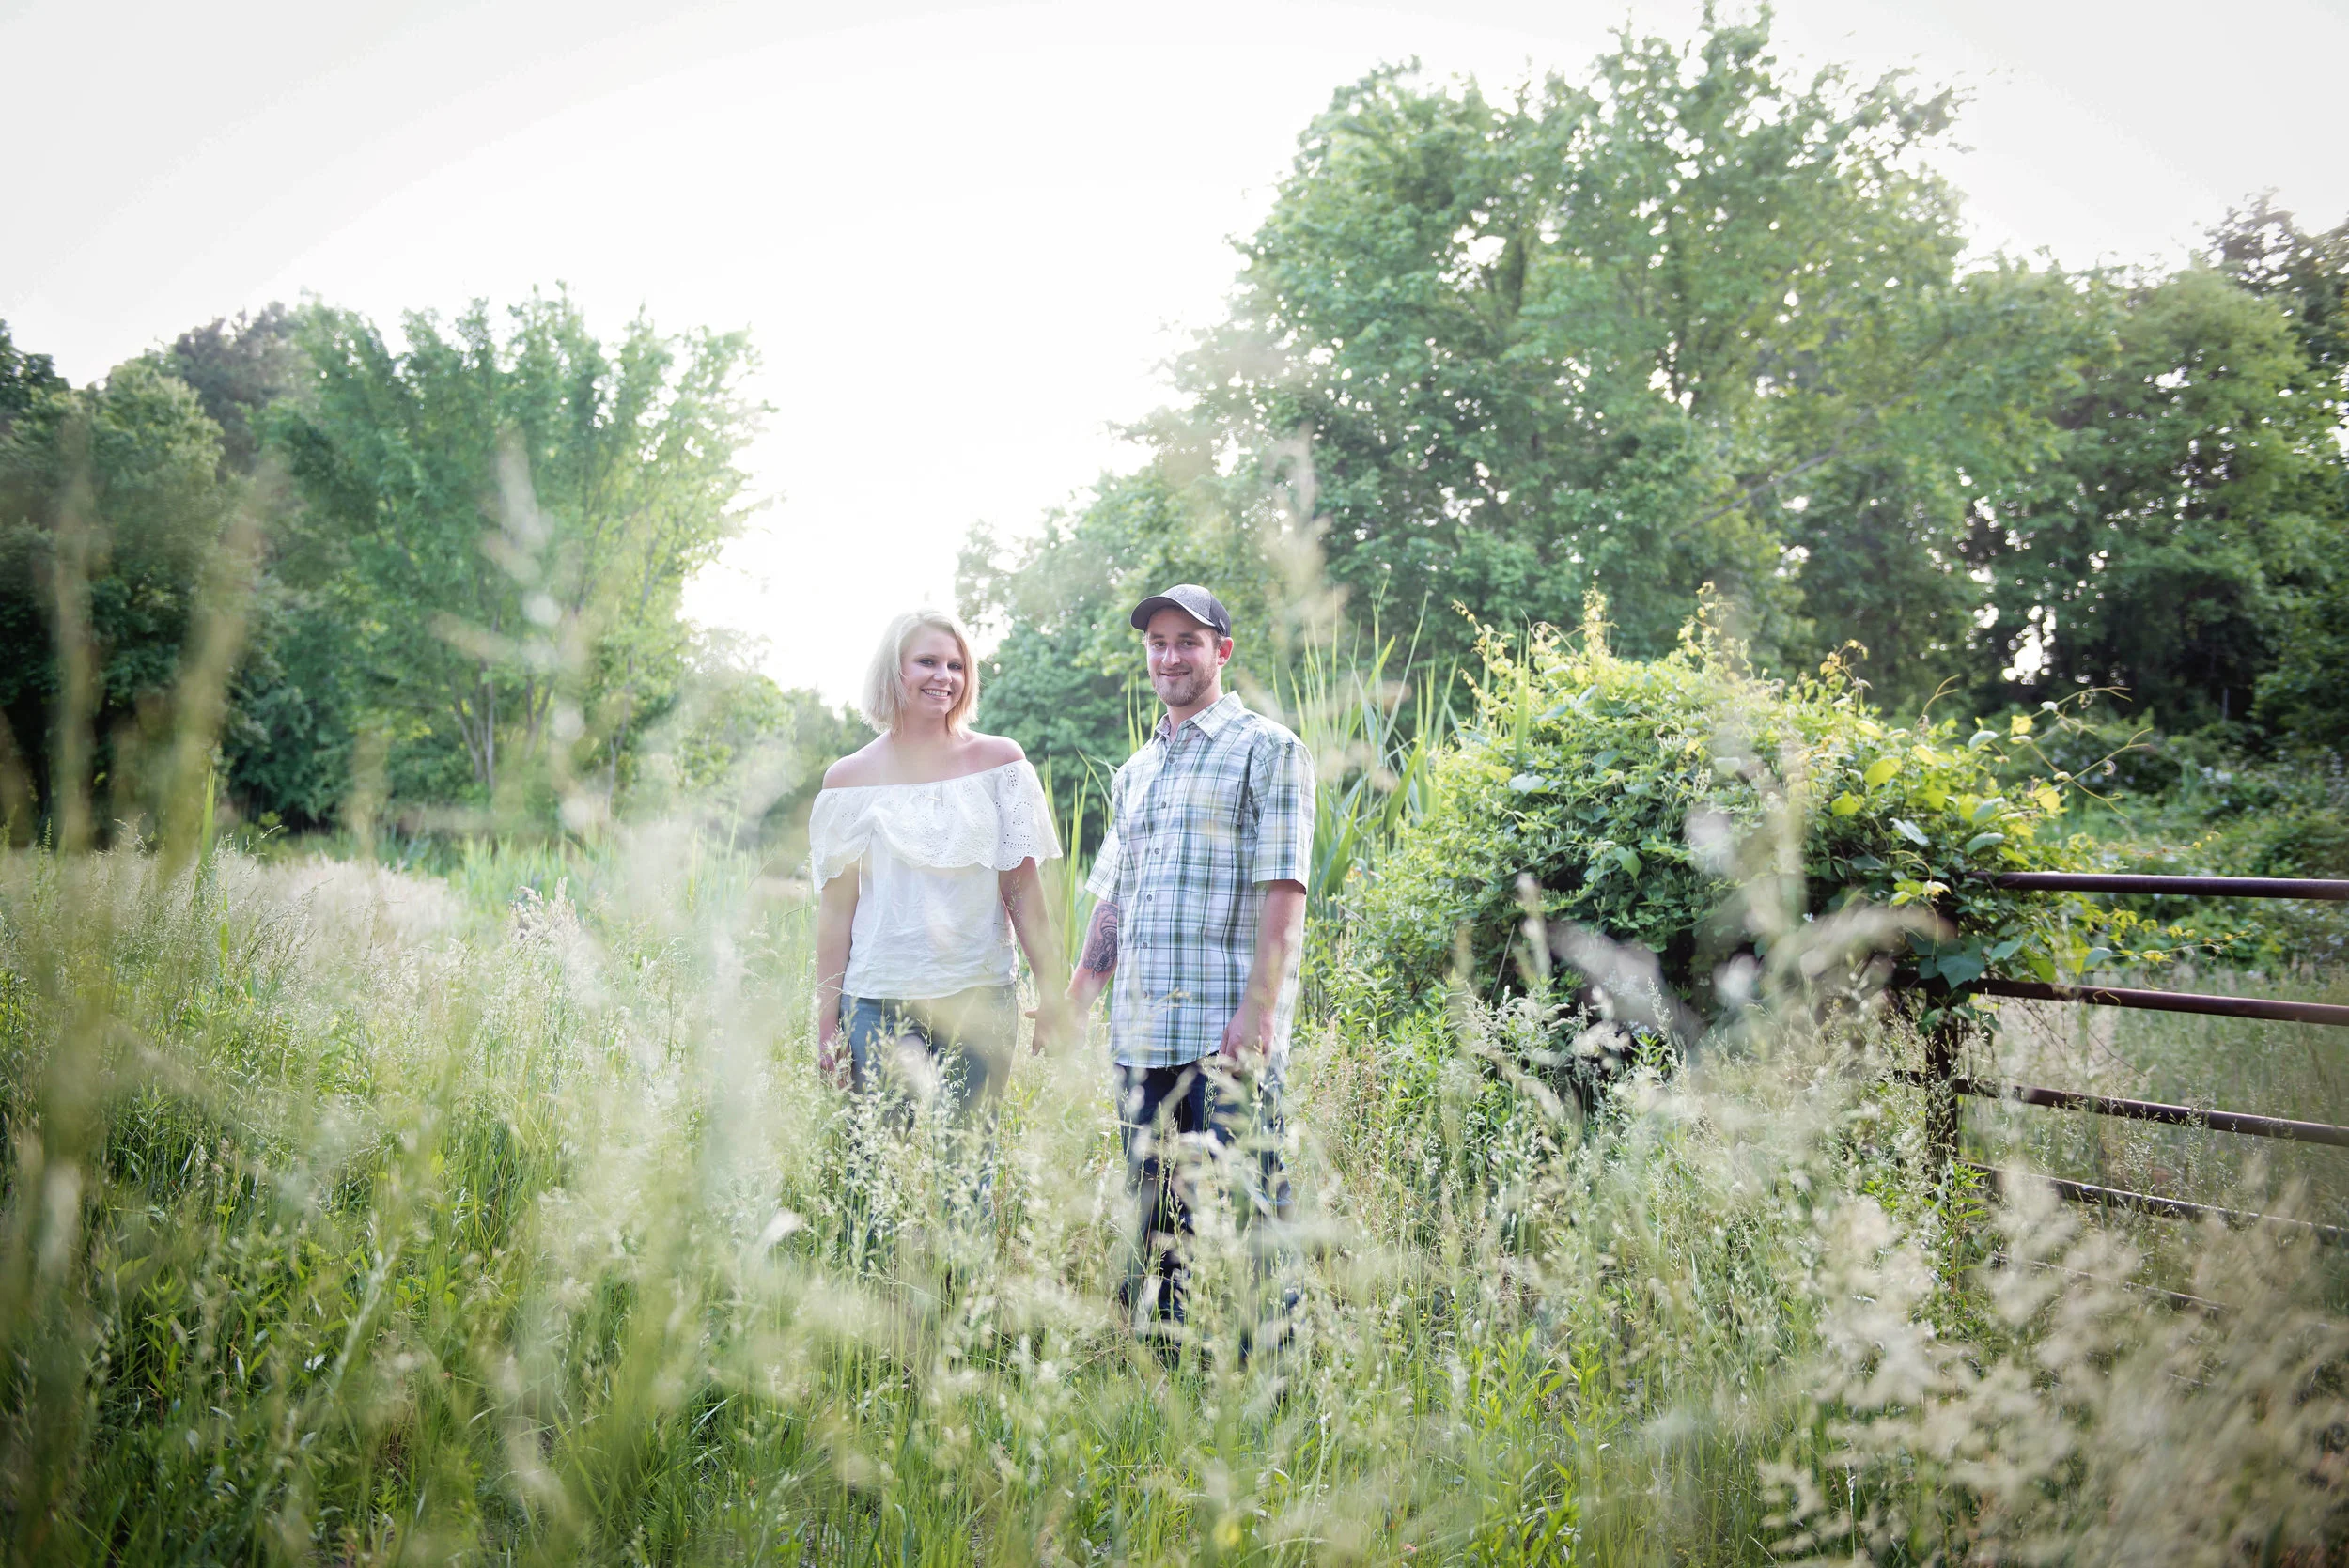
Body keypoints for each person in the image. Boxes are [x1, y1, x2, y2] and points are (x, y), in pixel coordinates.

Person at [1064, 584, 1314, 1338]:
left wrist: (1258, 1012)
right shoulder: (1136, 770)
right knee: (1155, 1212)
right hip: (1140, 1032)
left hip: (1223, 1028)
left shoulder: (1267, 749)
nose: (1169, 657)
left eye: (1187, 642)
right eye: (1157, 643)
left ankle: (1275, 1364)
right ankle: (1170, 1362)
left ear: (1221, 651)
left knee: (1250, 1204)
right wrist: (1077, 998)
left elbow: (1284, 887)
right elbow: (1115, 898)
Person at [810, 609, 1072, 1117]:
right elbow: (836, 913)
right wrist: (827, 1029)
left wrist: (1052, 993)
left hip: (979, 994)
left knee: (969, 1155)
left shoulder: (1001, 763)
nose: (944, 677)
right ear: (893, 671)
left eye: (956, 666)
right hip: (878, 999)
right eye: (927, 662)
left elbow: (1023, 891)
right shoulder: (847, 780)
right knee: (877, 1158)